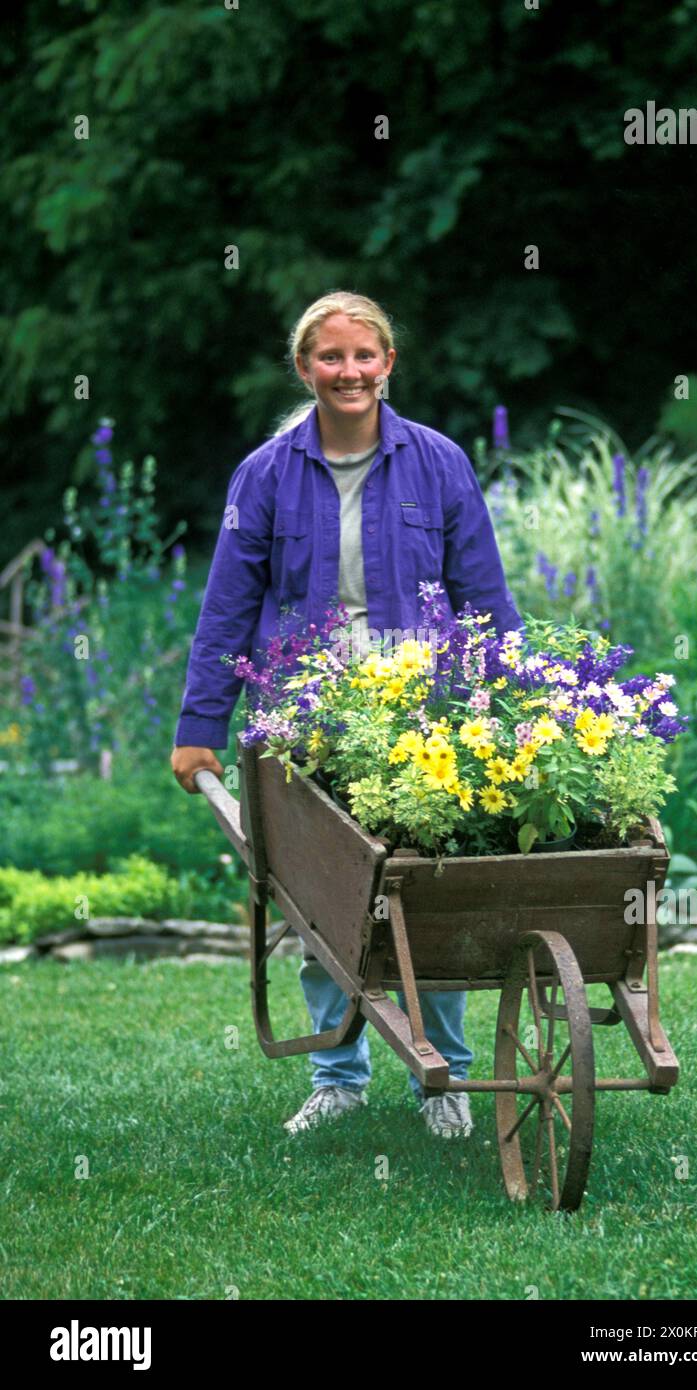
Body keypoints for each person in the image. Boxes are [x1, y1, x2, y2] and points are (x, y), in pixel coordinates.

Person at [171, 291, 521, 1139]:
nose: (349, 371)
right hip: (304, 716)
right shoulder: (264, 475)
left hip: (418, 715)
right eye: (330, 357)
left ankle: (444, 1081)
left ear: (389, 364)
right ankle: (339, 1076)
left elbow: (484, 596)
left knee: (430, 892)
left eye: (364, 356)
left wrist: (515, 701)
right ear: (305, 368)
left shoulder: (439, 464)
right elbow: (227, 608)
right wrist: (198, 726)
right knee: (320, 899)